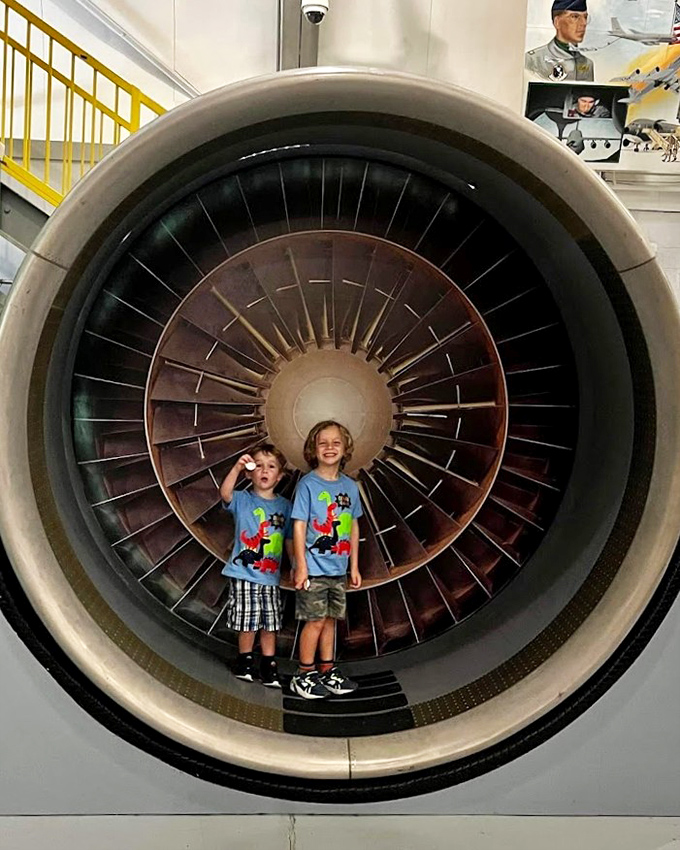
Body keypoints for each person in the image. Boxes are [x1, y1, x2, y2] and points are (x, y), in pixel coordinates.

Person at [289, 420, 363, 700]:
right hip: (314, 569)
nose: (329, 448)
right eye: (323, 443)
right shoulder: (308, 485)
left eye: (336, 443)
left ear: (345, 449)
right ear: (313, 449)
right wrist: (301, 566)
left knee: (331, 620)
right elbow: (298, 525)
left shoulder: (350, 487)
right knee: (315, 620)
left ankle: (327, 670)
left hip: (338, 568)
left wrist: (354, 566)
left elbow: (353, 526)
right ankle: (304, 674)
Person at [220, 444, 292, 688]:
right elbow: (225, 493)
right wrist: (237, 467)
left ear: (279, 476)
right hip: (244, 574)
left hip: (270, 577)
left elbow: (290, 538)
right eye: (258, 466)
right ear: (250, 473)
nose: (264, 471)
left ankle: (268, 665)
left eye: (271, 467)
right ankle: (245, 661)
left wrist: (294, 566)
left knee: (270, 623)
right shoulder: (242, 499)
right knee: (248, 622)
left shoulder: (285, 507)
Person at [525, 0, 594, 82]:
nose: (583, 23)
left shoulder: (587, 63)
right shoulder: (533, 60)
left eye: (585, 17)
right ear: (557, 22)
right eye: (575, 17)